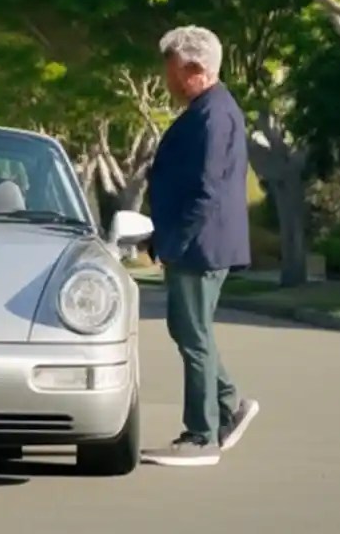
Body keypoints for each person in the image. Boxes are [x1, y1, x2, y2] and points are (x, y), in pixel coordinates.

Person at [143, 25, 260, 467]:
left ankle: (201, 436)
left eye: (172, 71)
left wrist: (174, 241)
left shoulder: (214, 114)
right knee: (192, 331)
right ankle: (229, 402)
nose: (168, 81)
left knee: (192, 336)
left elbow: (208, 190)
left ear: (195, 69)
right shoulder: (210, 109)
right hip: (196, 243)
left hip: (200, 246)